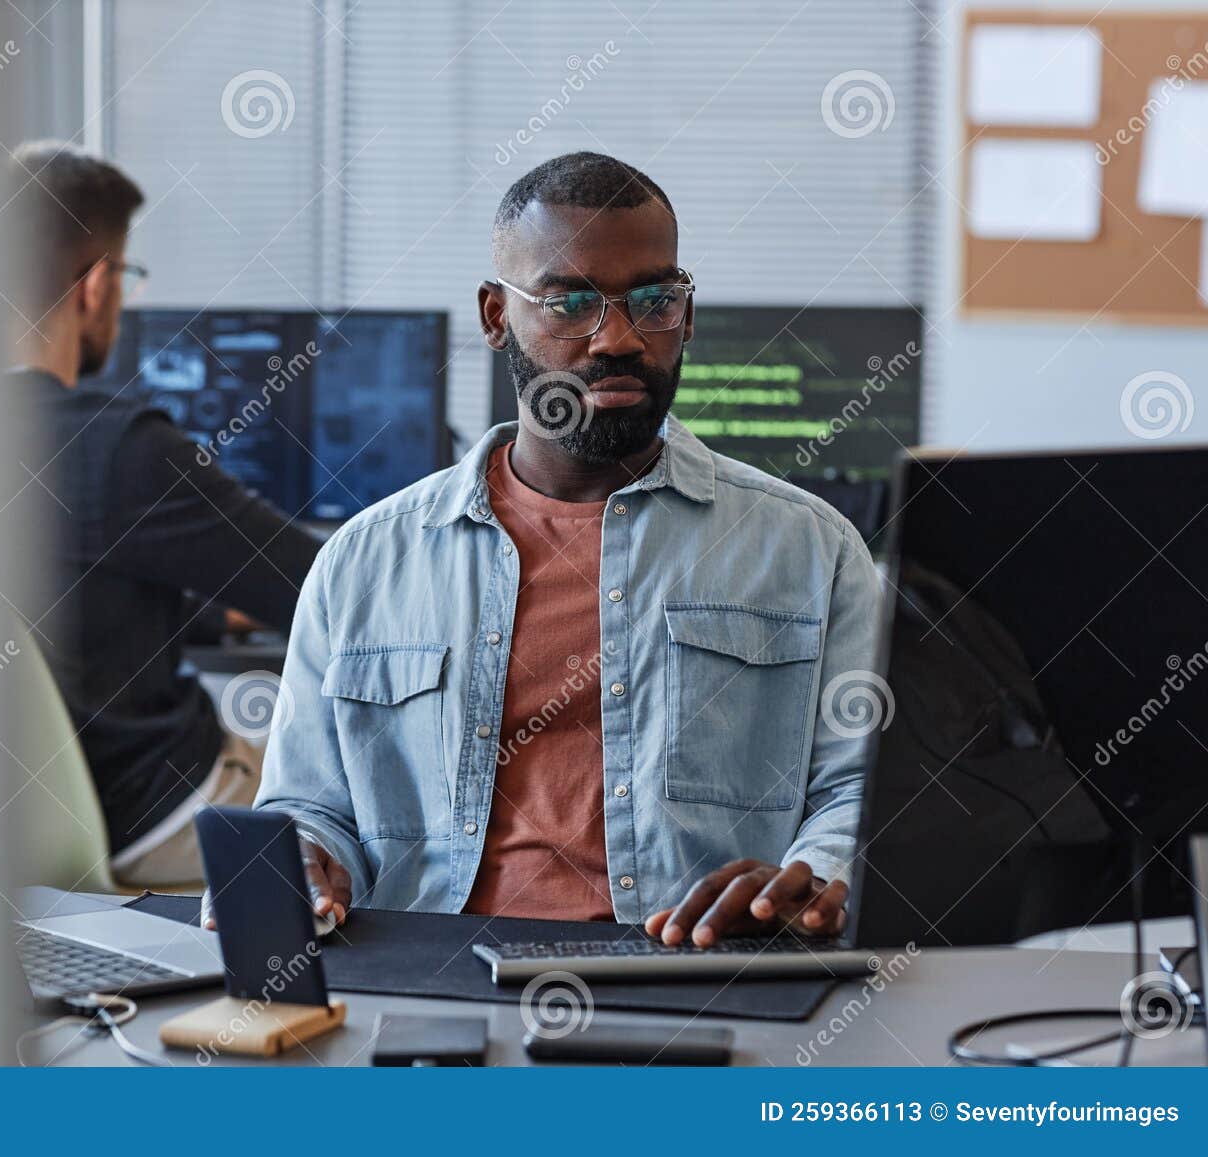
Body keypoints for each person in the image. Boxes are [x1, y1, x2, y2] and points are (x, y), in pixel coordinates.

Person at [255, 152, 880, 945]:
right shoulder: (364, 561)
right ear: (494, 316)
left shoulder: (812, 551)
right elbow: (308, 805)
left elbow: (860, 791)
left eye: (654, 300)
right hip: (425, 974)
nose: (617, 338)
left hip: (702, 967)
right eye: (568, 302)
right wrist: (304, 859)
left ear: (687, 315)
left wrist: (818, 873)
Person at [0, 141, 321, 886]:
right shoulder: (120, 442)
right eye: (125, 276)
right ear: (96, 285)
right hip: (157, 812)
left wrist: (205, 614)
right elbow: (324, 590)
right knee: (358, 806)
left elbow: (28, 602)